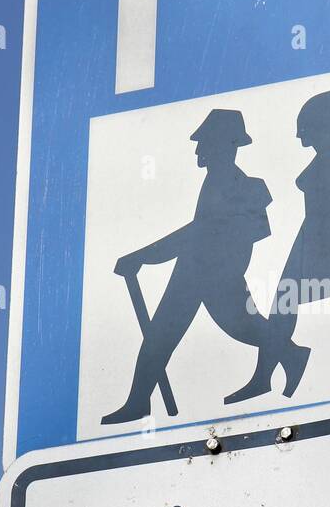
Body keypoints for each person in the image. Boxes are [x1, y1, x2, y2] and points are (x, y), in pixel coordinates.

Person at [101, 108, 309, 424]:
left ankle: (292, 355)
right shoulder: (216, 180)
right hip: (194, 272)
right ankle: (139, 401)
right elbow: (200, 231)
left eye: (204, 143)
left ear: (224, 144)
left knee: (241, 326)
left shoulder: (232, 184)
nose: (198, 150)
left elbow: (201, 232)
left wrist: (142, 256)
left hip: (214, 276)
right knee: (161, 335)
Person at [225, 78, 330, 405]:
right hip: (313, 237)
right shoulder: (329, 155)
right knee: (295, 298)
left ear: (318, 127)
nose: (300, 135)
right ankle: (268, 374)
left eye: (304, 128)